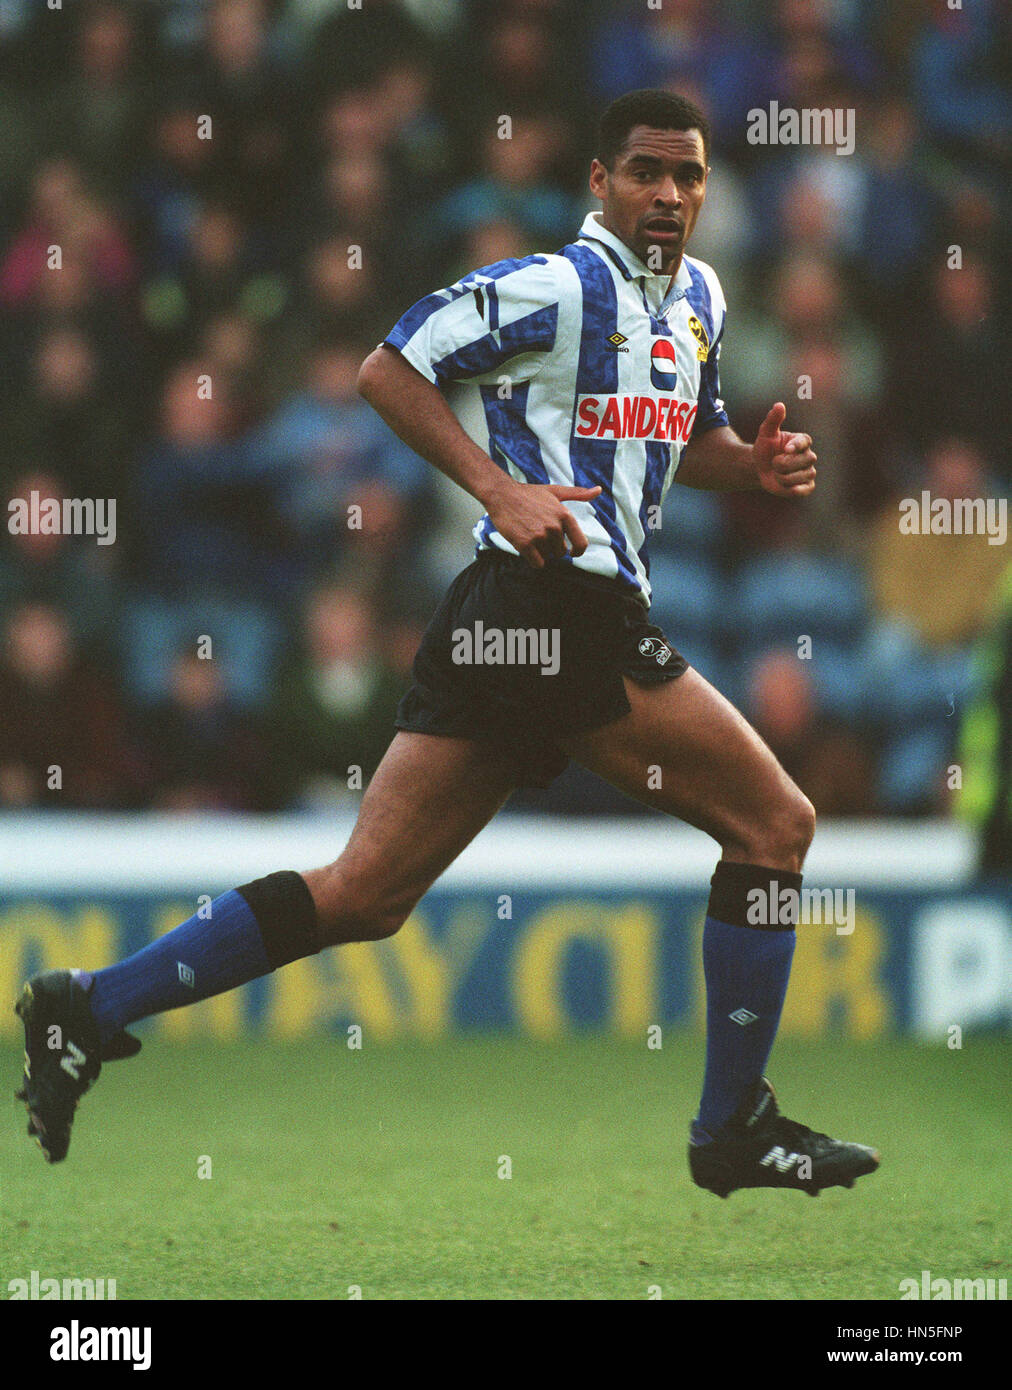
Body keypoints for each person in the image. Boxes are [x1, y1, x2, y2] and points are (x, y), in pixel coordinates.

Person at [16, 90, 878, 1198]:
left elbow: (678, 441)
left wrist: (747, 466)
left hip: (505, 621)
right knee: (775, 824)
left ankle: (88, 1007)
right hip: (553, 602)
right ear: (600, 184)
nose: (669, 195)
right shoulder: (555, 285)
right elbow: (390, 366)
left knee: (365, 894)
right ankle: (731, 1129)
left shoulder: (699, 298)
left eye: (689, 177)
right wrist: (498, 487)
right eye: (647, 173)